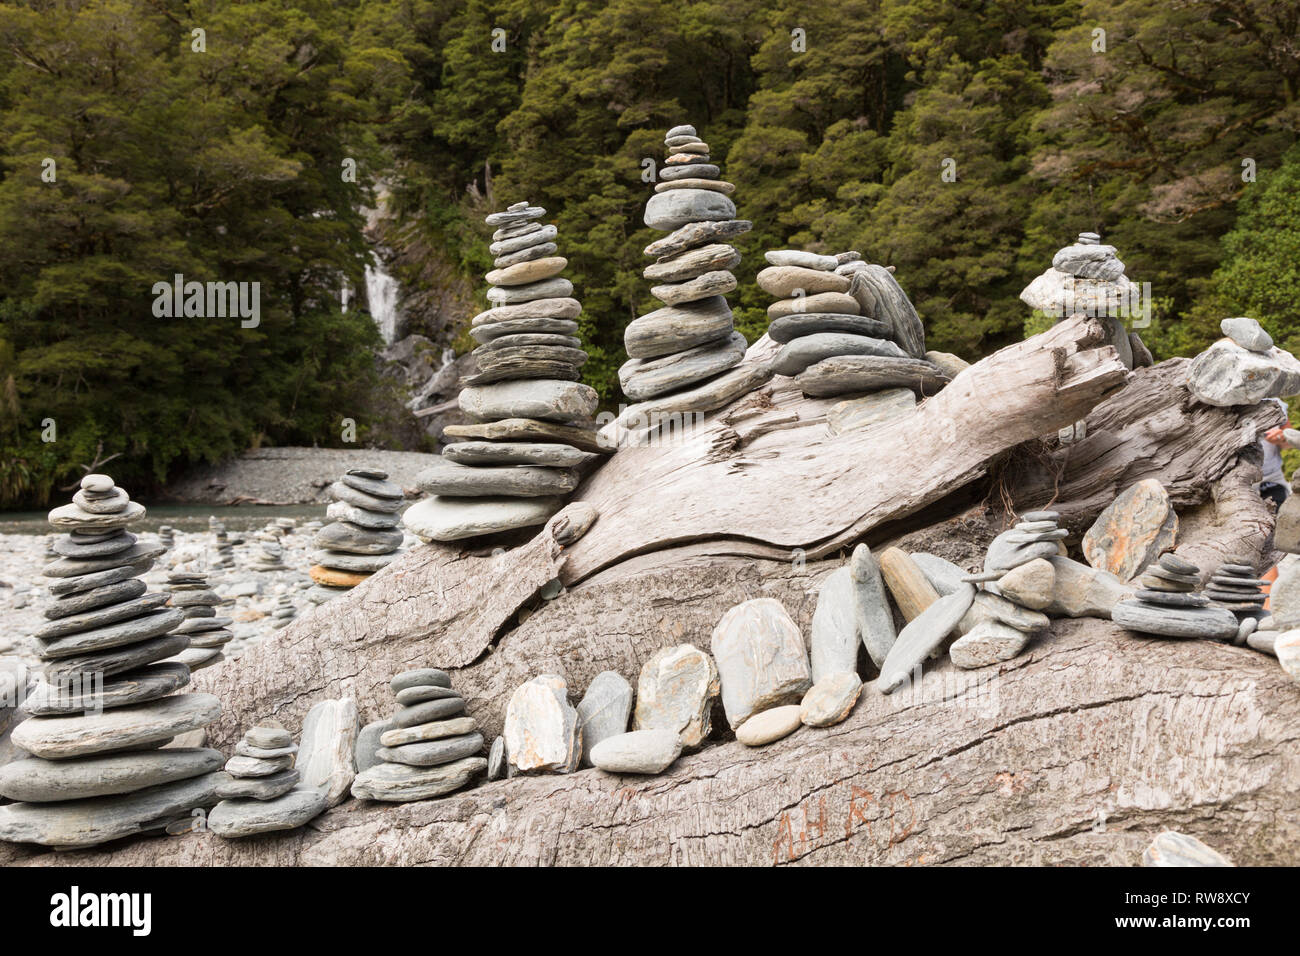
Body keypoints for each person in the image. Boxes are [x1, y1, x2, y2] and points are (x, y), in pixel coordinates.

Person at [1261, 397, 1297, 508]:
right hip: (1237, 478)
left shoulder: (1275, 403)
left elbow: (1288, 444)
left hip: (1272, 478)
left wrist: (1282, 437)